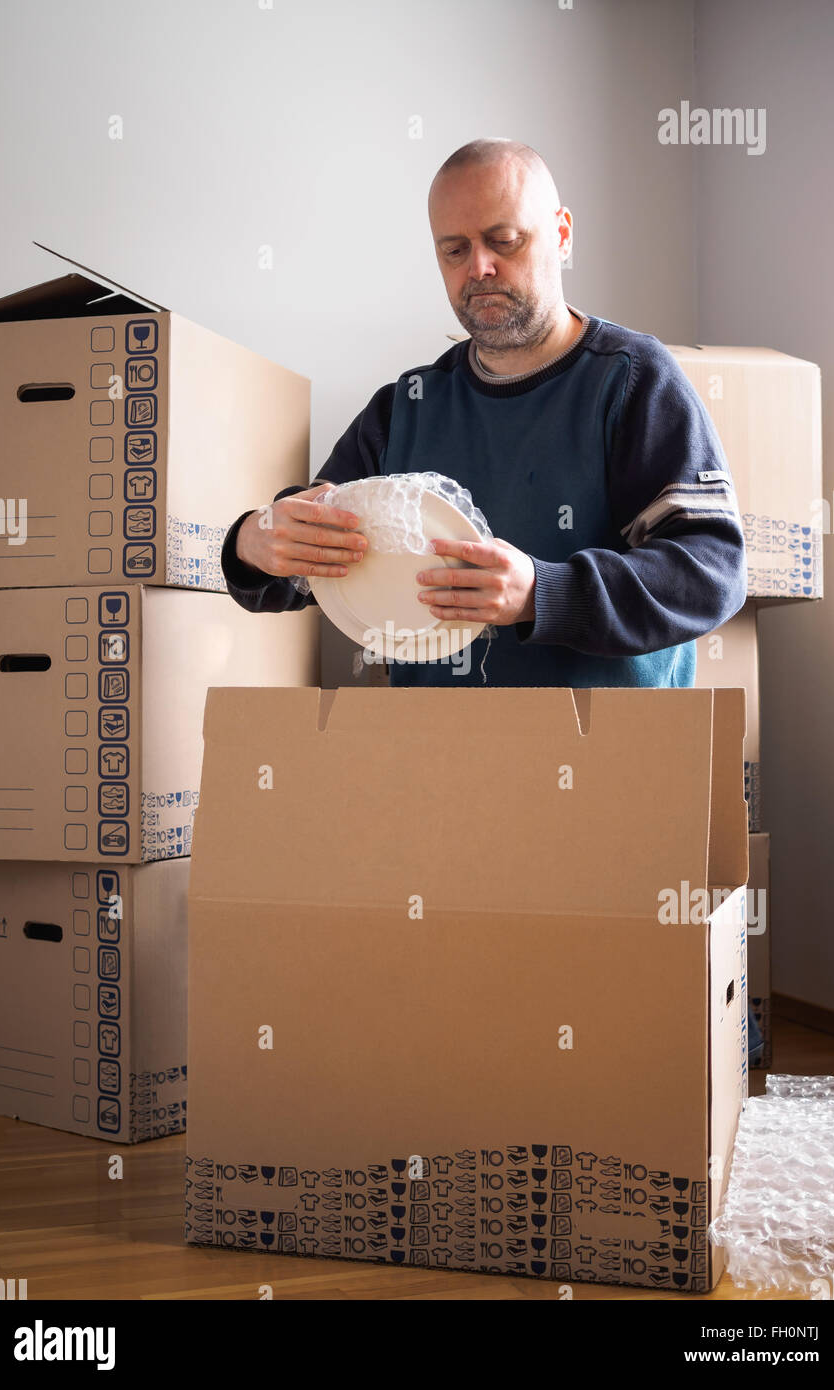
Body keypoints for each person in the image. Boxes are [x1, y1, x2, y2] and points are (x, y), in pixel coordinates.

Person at [221, 135, 762, 1064]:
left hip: (608, 787)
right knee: (469, 1045)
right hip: (439, 789)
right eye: (452, 248)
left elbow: (712, 568)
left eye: (504, 240)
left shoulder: (631, 382)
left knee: (605, 1045)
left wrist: (542, 593)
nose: (479, 268)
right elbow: (292, 559)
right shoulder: (408, 406)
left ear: (558, 233)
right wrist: (253, 539)